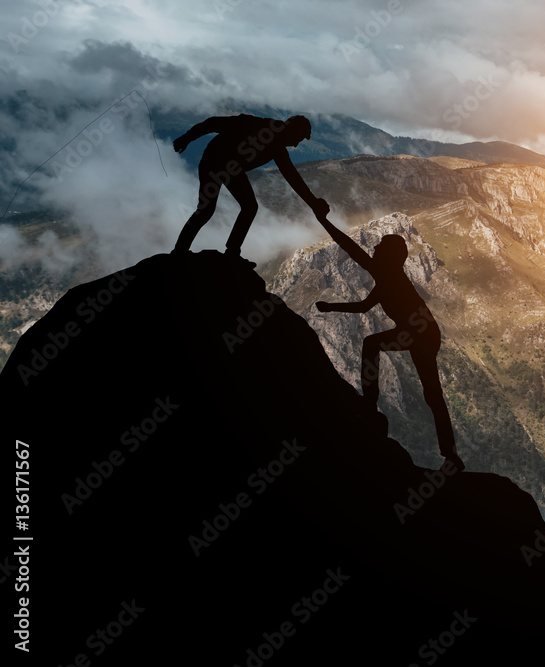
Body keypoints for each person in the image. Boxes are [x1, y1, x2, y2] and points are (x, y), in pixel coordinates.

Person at [314, 221, 465, 472]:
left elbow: (350, 248)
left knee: (429, 391)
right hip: (420, 332)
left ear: (388, 255)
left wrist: (324, 220)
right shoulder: (388, 277)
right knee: (431, 394)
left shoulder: (386, 274)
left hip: (421, 334)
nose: (374, 249)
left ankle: (370, 402)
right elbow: (363, 306)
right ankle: (450, 454)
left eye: (380, 247)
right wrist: (330, 308)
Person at [172, 114, 329, 258]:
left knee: (243, 207)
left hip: (229, 168)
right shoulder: (259, 126)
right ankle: (185, 252)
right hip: (214, 163)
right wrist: (186, 138)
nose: (295, 145)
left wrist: (314, 203)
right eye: (298, 139)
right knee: (209, 210)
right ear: (292, 131)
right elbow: (214, 123)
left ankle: (228, 252)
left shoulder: (277, 145)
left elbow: (293, 178)